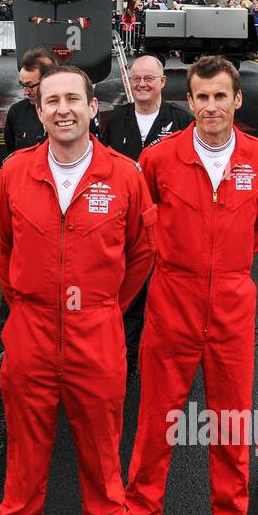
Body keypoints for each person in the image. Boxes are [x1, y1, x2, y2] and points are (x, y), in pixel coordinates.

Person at [0, 67, 155, 515]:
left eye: (72, 100)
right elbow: (1, 249)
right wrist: (30, 306)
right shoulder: (15, 173)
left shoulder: (125, 175)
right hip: (31, 337)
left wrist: (104, 308)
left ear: (92, 109)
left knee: (103, 470)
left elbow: (142, 252)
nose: (62, 109)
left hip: (97, 337)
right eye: (51, 100)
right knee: (23, 472)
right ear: (38, 112)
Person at [123, 56, 258, 515]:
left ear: (237, 100)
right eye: (201, 97)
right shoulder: (160, 159)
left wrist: (227, 266)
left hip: (233, 300)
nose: (211, 106)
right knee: (157, 419)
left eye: (220, 96)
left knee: (230, 420)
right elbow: (141, 223)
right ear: (188, 102)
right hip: (173, 299)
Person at [101, 54, 192, 373]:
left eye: (149, 79)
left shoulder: (181, 121)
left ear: (162, 82)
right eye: (136, 78)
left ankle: (162, 360)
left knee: (164, 298)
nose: (142, 85)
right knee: (126, 295)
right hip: (124, 227)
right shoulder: (114, 119)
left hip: (167, 227)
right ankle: (124, 358)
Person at [3, 48, 56, 152]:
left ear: (48, 80)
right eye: (22, 85)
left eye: (30, 85)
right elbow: (12, 152)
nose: (25, 92)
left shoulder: (73, 112)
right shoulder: (16, 112)